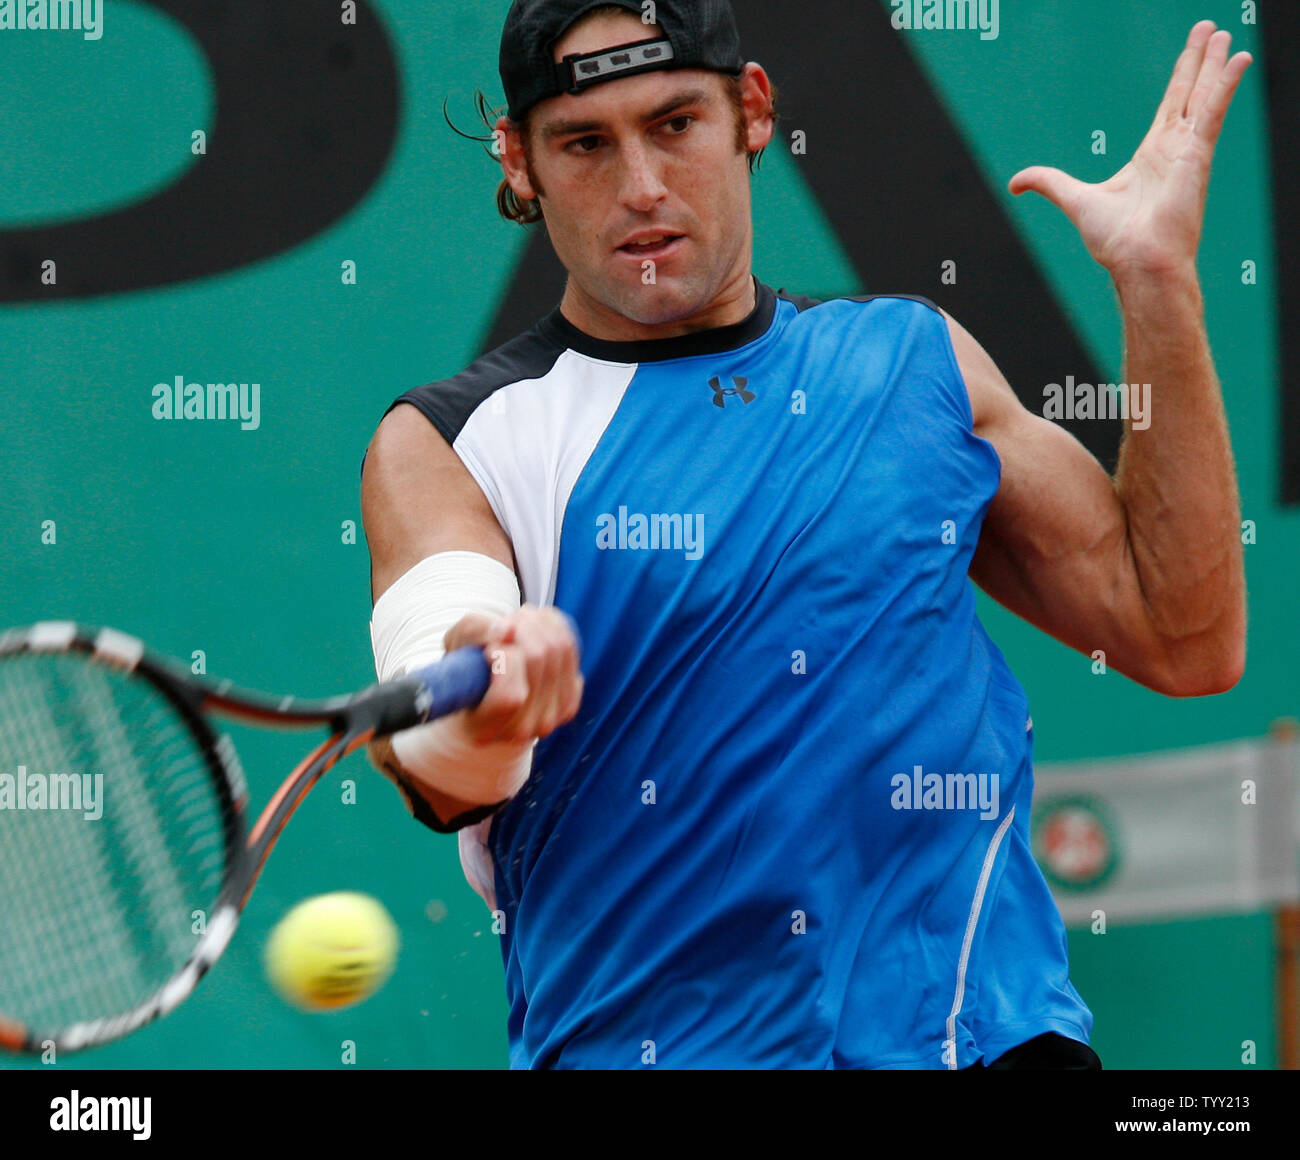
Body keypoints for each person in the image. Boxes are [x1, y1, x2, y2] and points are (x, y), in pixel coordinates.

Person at [362, 0, 1249, 1069]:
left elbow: (1181, 635)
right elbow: (435, 761)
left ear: (751, 109)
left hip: (989, 1038)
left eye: (674, 123)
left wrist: (1157, 285)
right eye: (585, 142)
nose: (641, 186)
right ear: (519, 162)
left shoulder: (917, 362)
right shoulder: (450, 441)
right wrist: (488, 698)